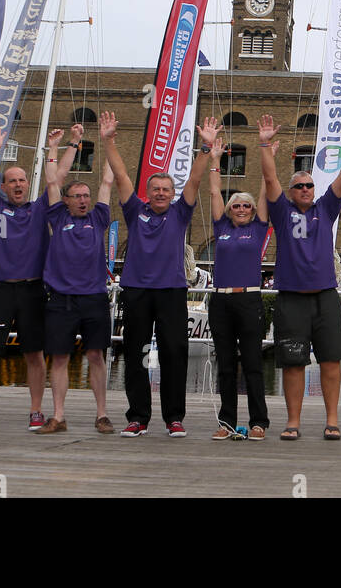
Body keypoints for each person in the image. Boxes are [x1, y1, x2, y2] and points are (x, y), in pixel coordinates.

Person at [100, 111, 219, 438]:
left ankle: (174, 418)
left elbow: (194, 181)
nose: (162, 193)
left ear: (172, 193)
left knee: (173, 354)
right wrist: (108, 141)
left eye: (167, 189)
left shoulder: (180, 213)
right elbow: (121, 175)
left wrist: (205, 148)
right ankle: (138, 417)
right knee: (136, 354)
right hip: (136, 291)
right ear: (148, 192)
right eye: (156, 189)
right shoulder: (134, 210)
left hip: (171, 292)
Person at [0, 123, 79, 432]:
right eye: (12, 180)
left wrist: (70, 144)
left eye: (22, 180)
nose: (17, 184)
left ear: (28, 184)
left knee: (34, 353)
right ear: (4, 185)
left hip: (32, 290)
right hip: (0, 289)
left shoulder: (40, 209)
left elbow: (59, 177)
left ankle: (36, 411)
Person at [259, 112, 341, 441]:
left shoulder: (325, 208)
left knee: (331, 360)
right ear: (291, 192)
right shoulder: (282, 211)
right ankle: (293, 421)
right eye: (299, 186)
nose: (306, 189)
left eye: (309, 185)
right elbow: (270, 179)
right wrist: (263, 144)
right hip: (291, 298)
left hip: (325, 297)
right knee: (293, 363)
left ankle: (332, 419)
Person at [36, 128, 115, 435]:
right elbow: (52, 182)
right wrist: (54, 148)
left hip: (94, 298)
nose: (83, 201)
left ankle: (102, 414)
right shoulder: (58, 217)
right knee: (59, 357)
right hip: (61, 299)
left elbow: (107, 181)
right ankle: (58, 416)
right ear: (66, 200)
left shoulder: (98, 218)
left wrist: (109, 142)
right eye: (77, 196)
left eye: (86, 196)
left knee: (96, 355)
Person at [207, 136, 273, 441]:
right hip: (220, 302)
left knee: (252, 363)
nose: (243, 208)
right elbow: (213, 191)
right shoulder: (220, 227)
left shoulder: (258, 228)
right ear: (229, 209)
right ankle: (227, 422)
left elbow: (266, 188)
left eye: (247, 205)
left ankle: (259, 422)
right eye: (237, 205)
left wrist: (266, 153)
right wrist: (215, 159)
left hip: (249, 300)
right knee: (225, 365)